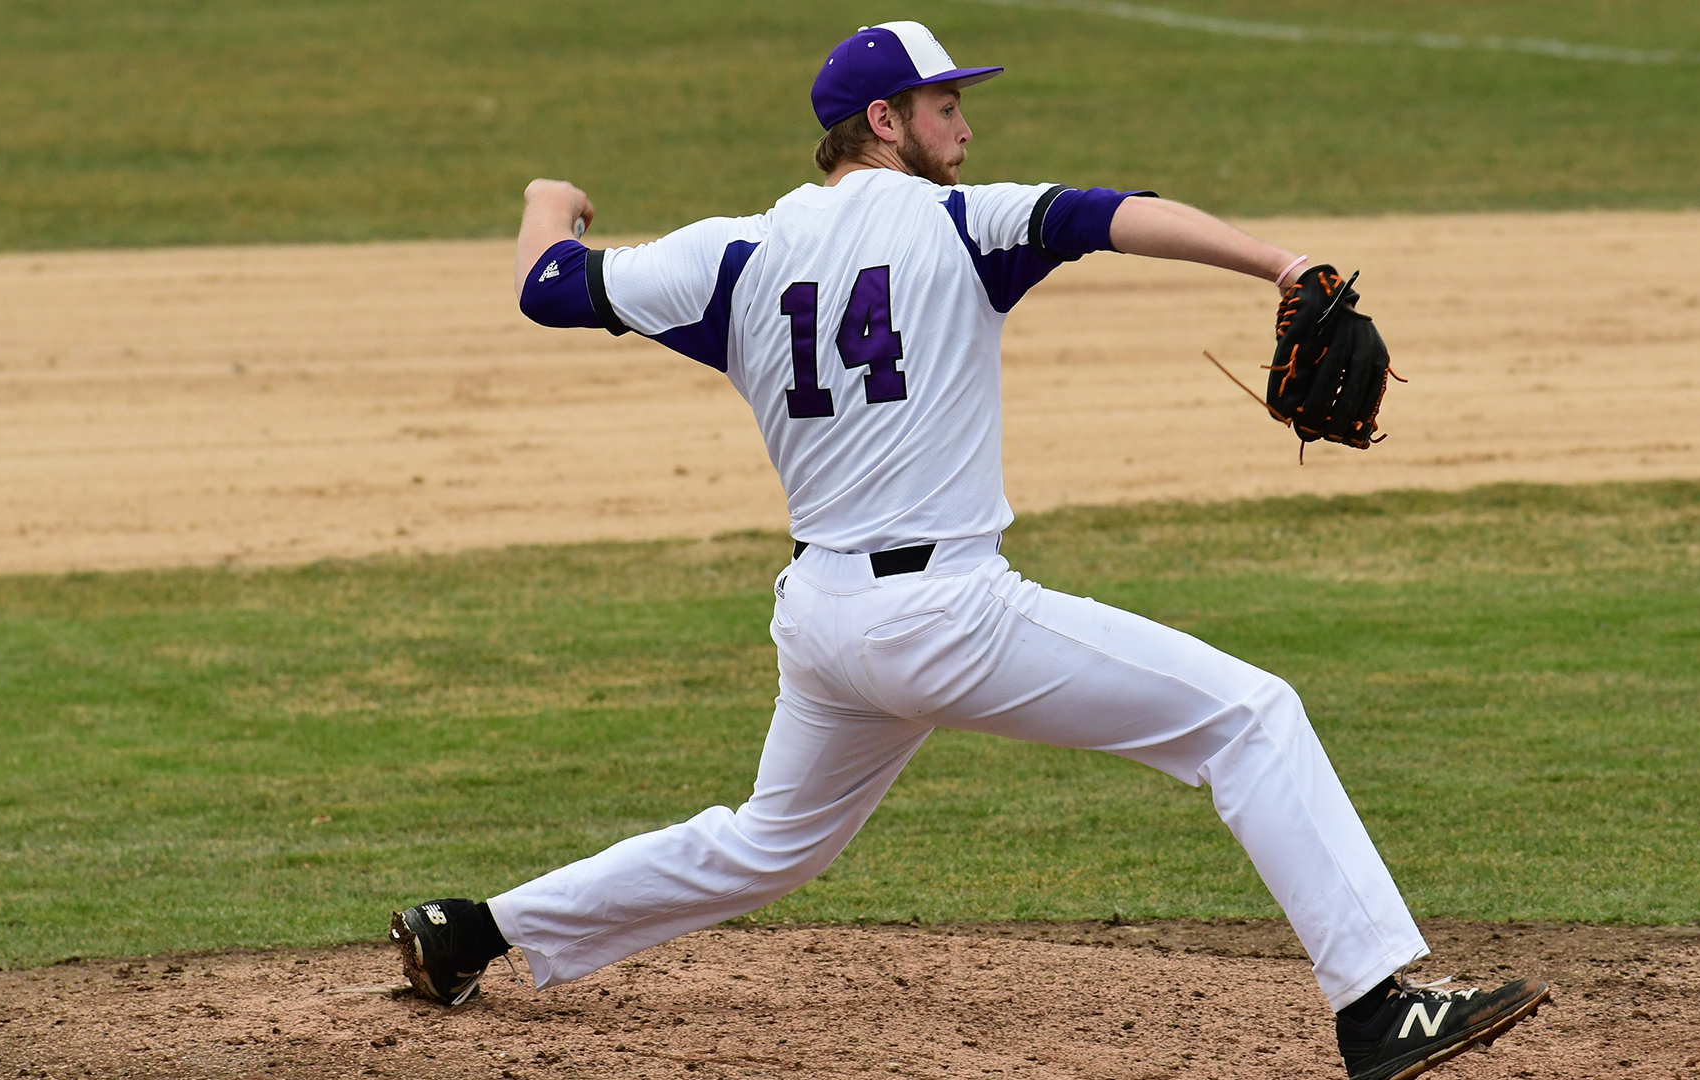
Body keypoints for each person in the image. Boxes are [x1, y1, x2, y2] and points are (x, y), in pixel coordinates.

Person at [389, 21, 1548, 1080]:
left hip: (825, 625)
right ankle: (1375, 1007)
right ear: (883, 122)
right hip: (947, 616)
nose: (966, 124)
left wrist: (550, 197)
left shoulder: (733, 256)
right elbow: (1106, 213)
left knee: (767, 845)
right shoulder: (959, 221)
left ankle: (472, 930)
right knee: (1248, 716)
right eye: (944, 104)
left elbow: (550, 288)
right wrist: (1282, 266)